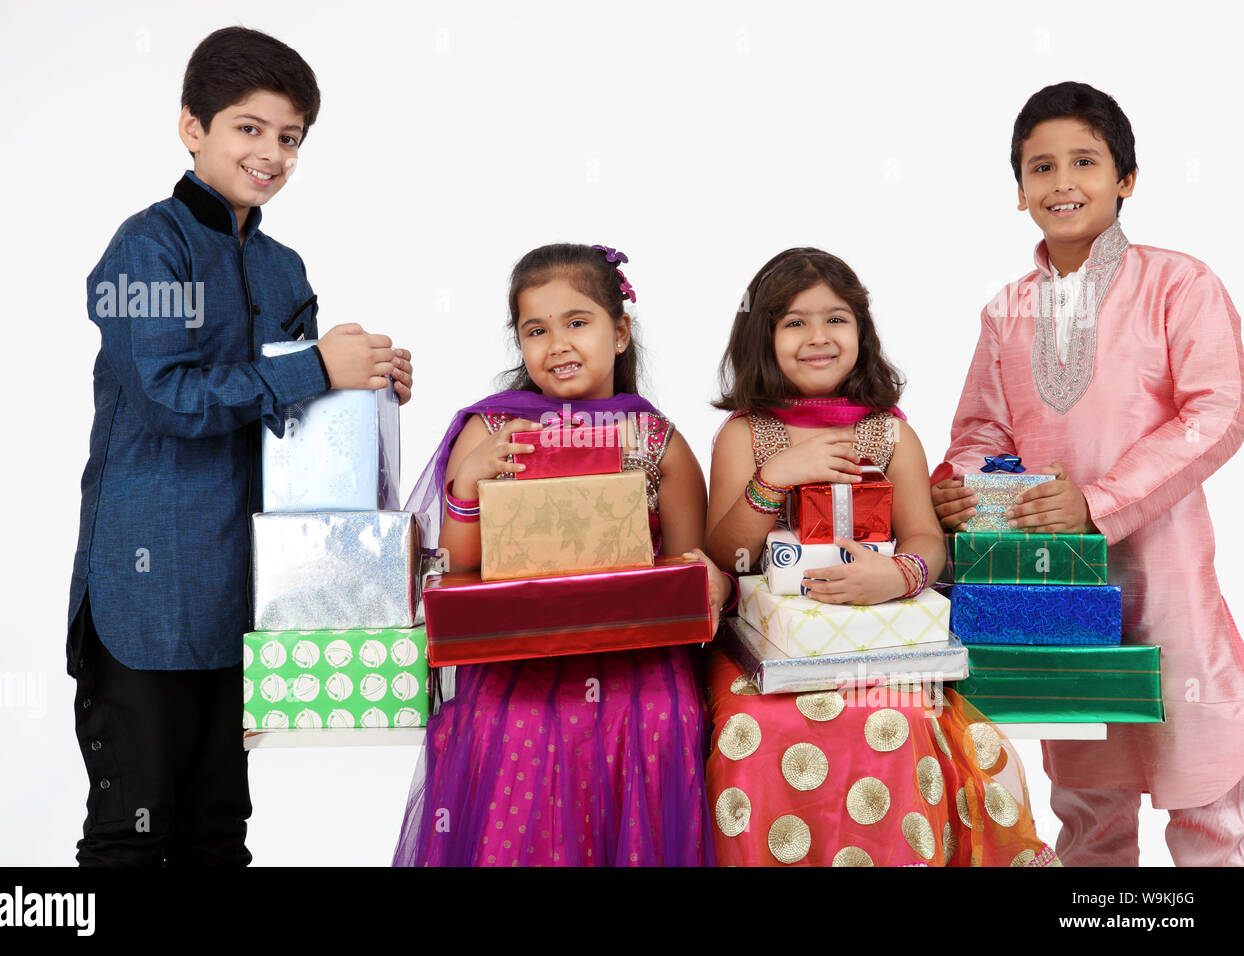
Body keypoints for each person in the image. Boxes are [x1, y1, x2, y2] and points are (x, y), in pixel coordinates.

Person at [67, 26, 412, 865]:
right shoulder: (145, 247)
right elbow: (167, 397)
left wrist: (364, 388)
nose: (272, 153)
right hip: (144, 592)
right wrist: (316, 369)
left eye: (290, 137)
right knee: (133, 835)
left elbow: (292, 427)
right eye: (248, 128)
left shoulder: (285, 268)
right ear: (193, 127)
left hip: (247, 597)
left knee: (219, 831)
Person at [933, 81, 1244, 867]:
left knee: (1205, 793)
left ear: (1126, 180)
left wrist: (1099, 503)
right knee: (1086, 804)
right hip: (1055, 581)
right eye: (1041, 167)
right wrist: (962, 487)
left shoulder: (1181, 284)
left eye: (1084, 162)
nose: (1062, 183)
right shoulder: (1007, 309)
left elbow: (1219, 413)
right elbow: (980, 431)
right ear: (1019, 192)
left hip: (1165, 571)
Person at [704, 247, 1056, 866]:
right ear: (763, 337)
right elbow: (724, 556)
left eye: (836, 319)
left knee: (892, 724)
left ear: (861, 332)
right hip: (768, 653)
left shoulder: (889, 432)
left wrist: (897, 575)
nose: (818, 337)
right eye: (794, 322)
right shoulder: (746, 433)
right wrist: (775, 477)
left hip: (875, 645)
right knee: (754, 733)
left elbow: (926, 540)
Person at [393, 243, 729, 866]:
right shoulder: (495, 430)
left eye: (578, 322)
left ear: (620, 331)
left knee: (663, 716)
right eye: (536, 330)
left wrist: (714, 580)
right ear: (519, 343)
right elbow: (458, 569)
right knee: (514, 725)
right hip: (518, 655)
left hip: (637, 657)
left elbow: (691, 571)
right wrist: (468, 483)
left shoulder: (657, 442)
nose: (558, 344)